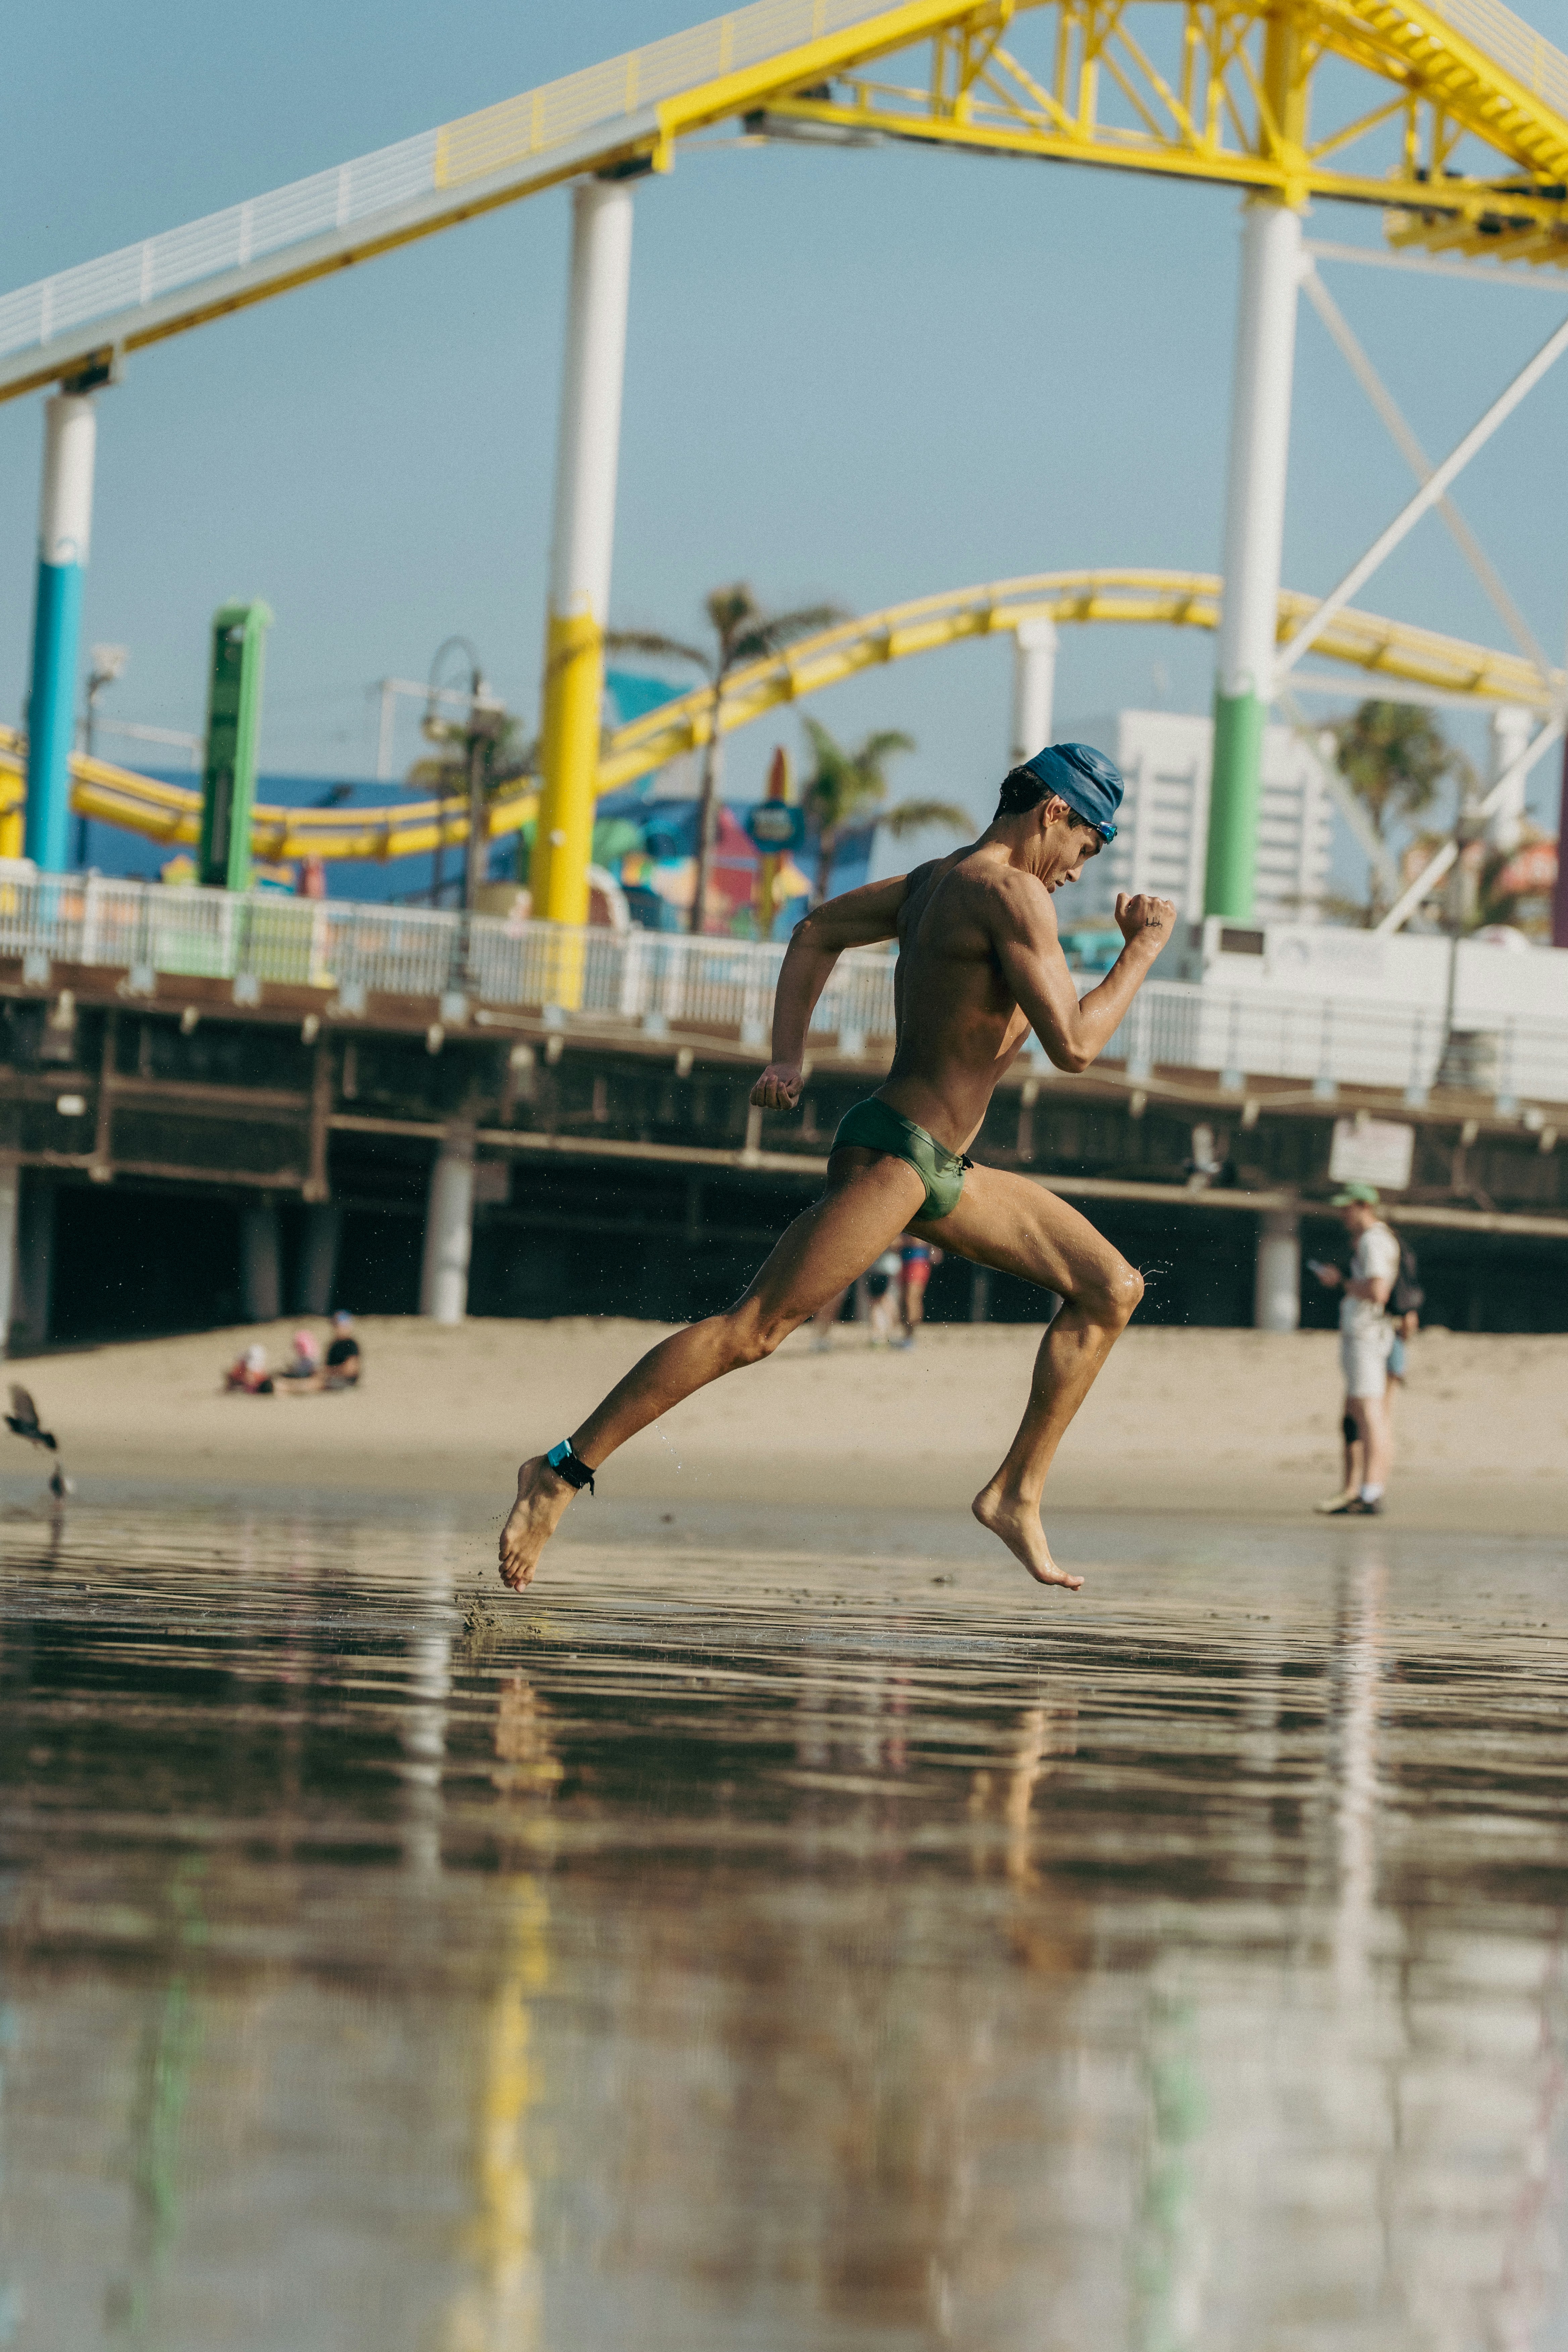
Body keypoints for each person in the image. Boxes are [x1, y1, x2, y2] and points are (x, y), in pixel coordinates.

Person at [499, 741, 1174, 1594]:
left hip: (937, 1164)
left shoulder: (937, 881)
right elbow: (1074, 1046)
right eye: (1085, 847)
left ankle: (1014, 1493)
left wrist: (789, 1057)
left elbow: (816, 929)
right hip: (899, 1156)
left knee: (1110, 1288)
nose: (1078, 872)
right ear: (1054, 814)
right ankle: (560, 1470)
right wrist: (1142, 949)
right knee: (754, 1331)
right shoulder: (1009, 893)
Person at [1311, 1184, 1401, 1516]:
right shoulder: (1376, 1239)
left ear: (1364, 1206)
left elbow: (1378, 1291)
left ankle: (1371, 1492)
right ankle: (1355, 1490)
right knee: (1355, 1415)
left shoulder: (1374, 1240)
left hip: (1367, 1336)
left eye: (1346, 1207)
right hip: (1365, 1335)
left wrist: (1339, 1283)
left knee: (1371, 1414)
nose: (1342, 1214)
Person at [897, 1234, 943, 1344]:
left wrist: (901, 1241)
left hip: (918, 1262)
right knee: (903, 1301)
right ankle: (907, 1335)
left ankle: (911, 1336)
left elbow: (916, 1241)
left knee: (912, 1299)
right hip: (905, 1262)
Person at [324, 1311, 362, 1389]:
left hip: (346, 1382)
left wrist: (329, 1371)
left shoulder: (351, 1345)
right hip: (334, 1378)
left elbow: (350, 1370)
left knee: (318, 1383)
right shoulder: (334, 1345)